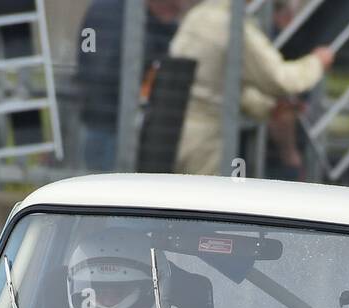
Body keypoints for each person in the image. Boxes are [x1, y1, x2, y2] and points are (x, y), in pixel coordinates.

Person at [168, 0, 332, 176]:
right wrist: (318, 62)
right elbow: (280, 80)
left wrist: (267, 107)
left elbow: (217, 84)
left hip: (176, 128)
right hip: (205, 141)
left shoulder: (200, 15)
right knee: (205, 200)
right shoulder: (232, 25)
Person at [75, 0, 185, 172]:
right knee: (105, 190)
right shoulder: (117, 15)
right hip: (108, 124)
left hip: (114, 123)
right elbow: (104, 72)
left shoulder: (145, 18)